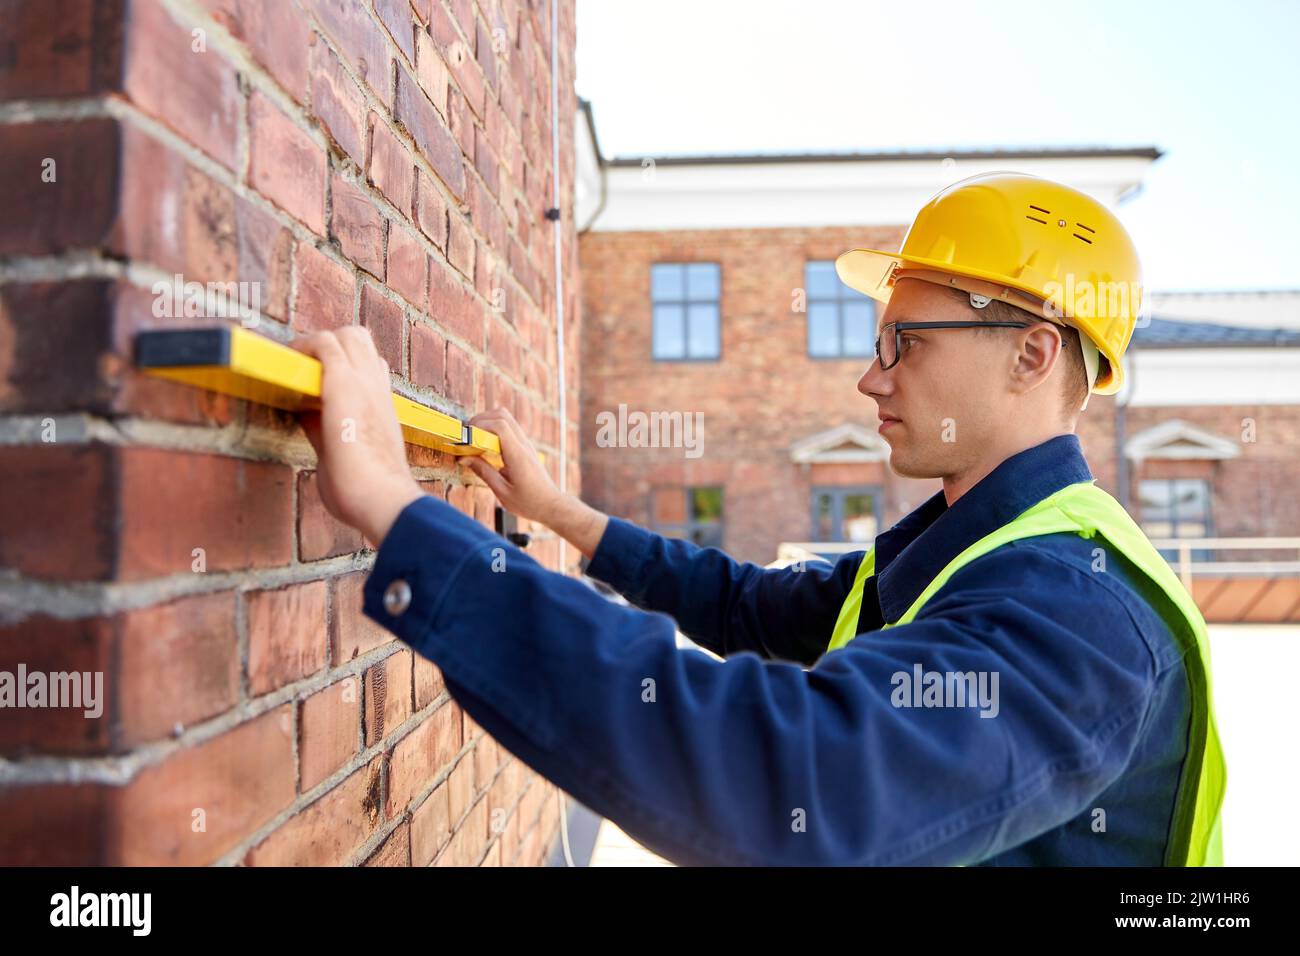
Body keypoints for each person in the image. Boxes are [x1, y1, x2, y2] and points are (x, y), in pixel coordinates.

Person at [295, 172, 1224, 866]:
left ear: (1031, 354)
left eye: (907, 341)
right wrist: (555, 512)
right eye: (876, 343)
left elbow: (791, 776)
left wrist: (397, 508)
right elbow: (746, 605)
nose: (872, 375)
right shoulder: (966, 551)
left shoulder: (1077, 611)